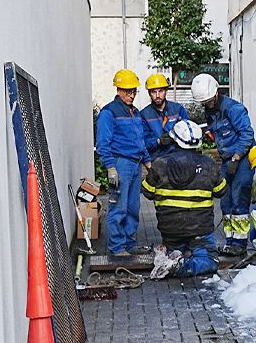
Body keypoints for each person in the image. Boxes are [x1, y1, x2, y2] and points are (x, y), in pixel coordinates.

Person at [141, 120, 227, 278]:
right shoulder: (209, 164)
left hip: (170, 231)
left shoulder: (159, 164)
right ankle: (180, 266)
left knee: (178, 249)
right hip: (200, 230)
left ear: (174, 139)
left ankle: (169, 254)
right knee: (210, 260)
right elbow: (221, 191)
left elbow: (147, 192)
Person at [190, 73, 255, 257]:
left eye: (209, 101)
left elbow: (247, 135)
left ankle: (240, 243)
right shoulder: (210, 110)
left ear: (216, 93)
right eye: (204, 102)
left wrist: (236, 158)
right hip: (228, 159)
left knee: (239, 199)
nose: (207, 105)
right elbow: (216, 130)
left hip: (241, 159)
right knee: (226, 201)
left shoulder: (234, 109)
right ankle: (230, 240)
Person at [96, 69, 152, 257]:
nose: (131, 94)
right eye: (128, 91)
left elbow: (140, 140)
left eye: (134, 91)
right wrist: (110, 167)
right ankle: (117, 247)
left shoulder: (134, 113)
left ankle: (129, 244)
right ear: (118, 90)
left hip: (135, 164)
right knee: (118, 207)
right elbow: (103, 143)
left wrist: (148, 163)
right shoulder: (108, 112)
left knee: (133, 208)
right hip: (120, 164)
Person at [140, 73, 188, 161]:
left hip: (179, 158)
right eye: (154, 92)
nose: (157, 95)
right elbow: (142, 143)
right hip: (157, 161)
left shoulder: (178, 109)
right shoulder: (144, 115)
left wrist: (176, 137)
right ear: (149, 93)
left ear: (166, 91)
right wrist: (158, 141)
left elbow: (187, 132)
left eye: (160, 91)